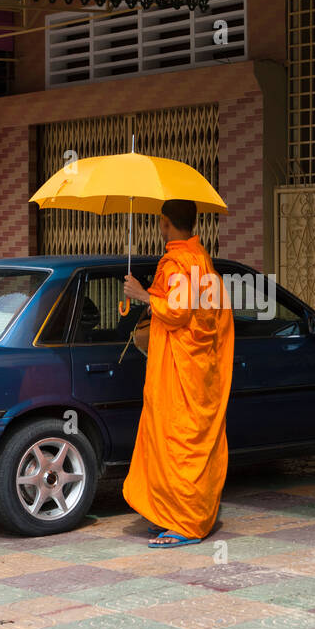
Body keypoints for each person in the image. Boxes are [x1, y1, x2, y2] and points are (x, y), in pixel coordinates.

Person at [122, 200, 234, 548]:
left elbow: (177, 312)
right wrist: (145, 297)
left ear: (165, 223)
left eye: (161, 223)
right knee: (193, 440)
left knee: (178, 441)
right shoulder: (202, 260)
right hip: (200, 366)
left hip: (181, 370)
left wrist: (141, 294)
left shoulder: (178, 262)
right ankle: (182, 514)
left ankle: (185, 522)